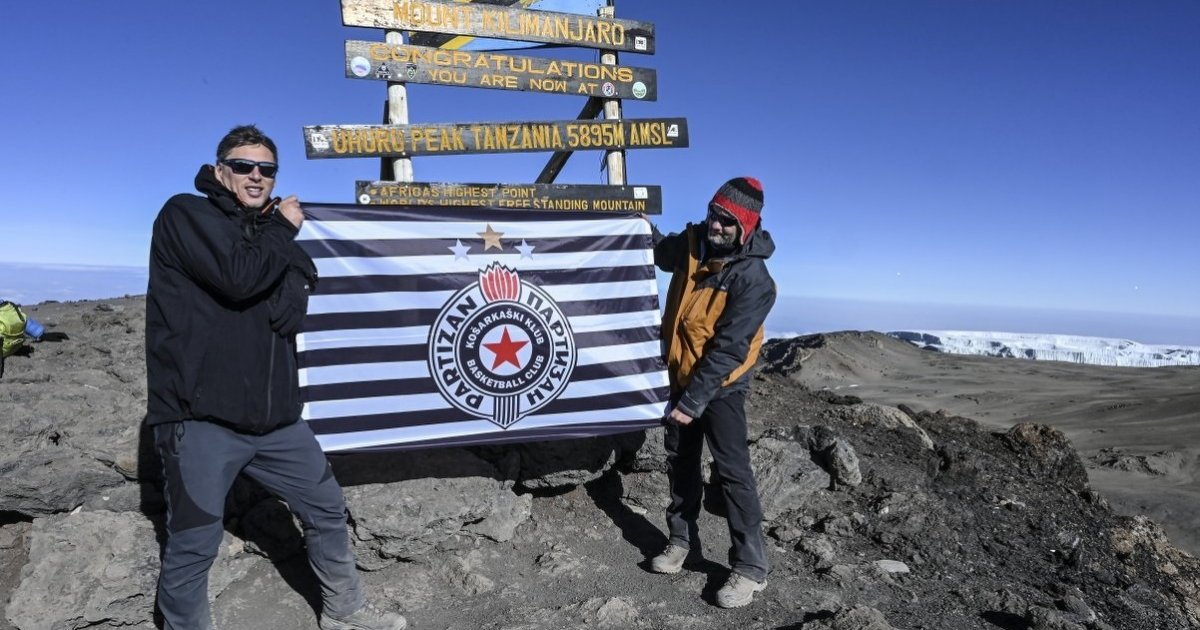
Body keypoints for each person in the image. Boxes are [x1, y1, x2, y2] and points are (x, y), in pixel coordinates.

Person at [145, 125, 406, 630]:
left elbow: (300, 272)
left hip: (278, 422)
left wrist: (290, 274)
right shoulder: (186, 213)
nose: (257, 176)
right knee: (194, 543)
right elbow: (238, 276)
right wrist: (283, 232)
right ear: (220, 169)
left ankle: (345, 613)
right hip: (201, 420)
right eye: (244, 166)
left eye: (267, 169)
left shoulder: (265, 228)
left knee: (327, 509)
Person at [646, 176, 776, 608]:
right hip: (680, 374)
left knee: (733, 471)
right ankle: (680, 541)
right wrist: (630, 222)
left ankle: (751, 568)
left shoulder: (755, 280)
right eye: (713, 215)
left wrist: (692, 402)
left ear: (747, 226)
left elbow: (727, 351)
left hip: (721, 387)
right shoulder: (692, 241)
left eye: (726, 221)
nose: (715, 226)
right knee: (680, 464)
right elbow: (658, 250)